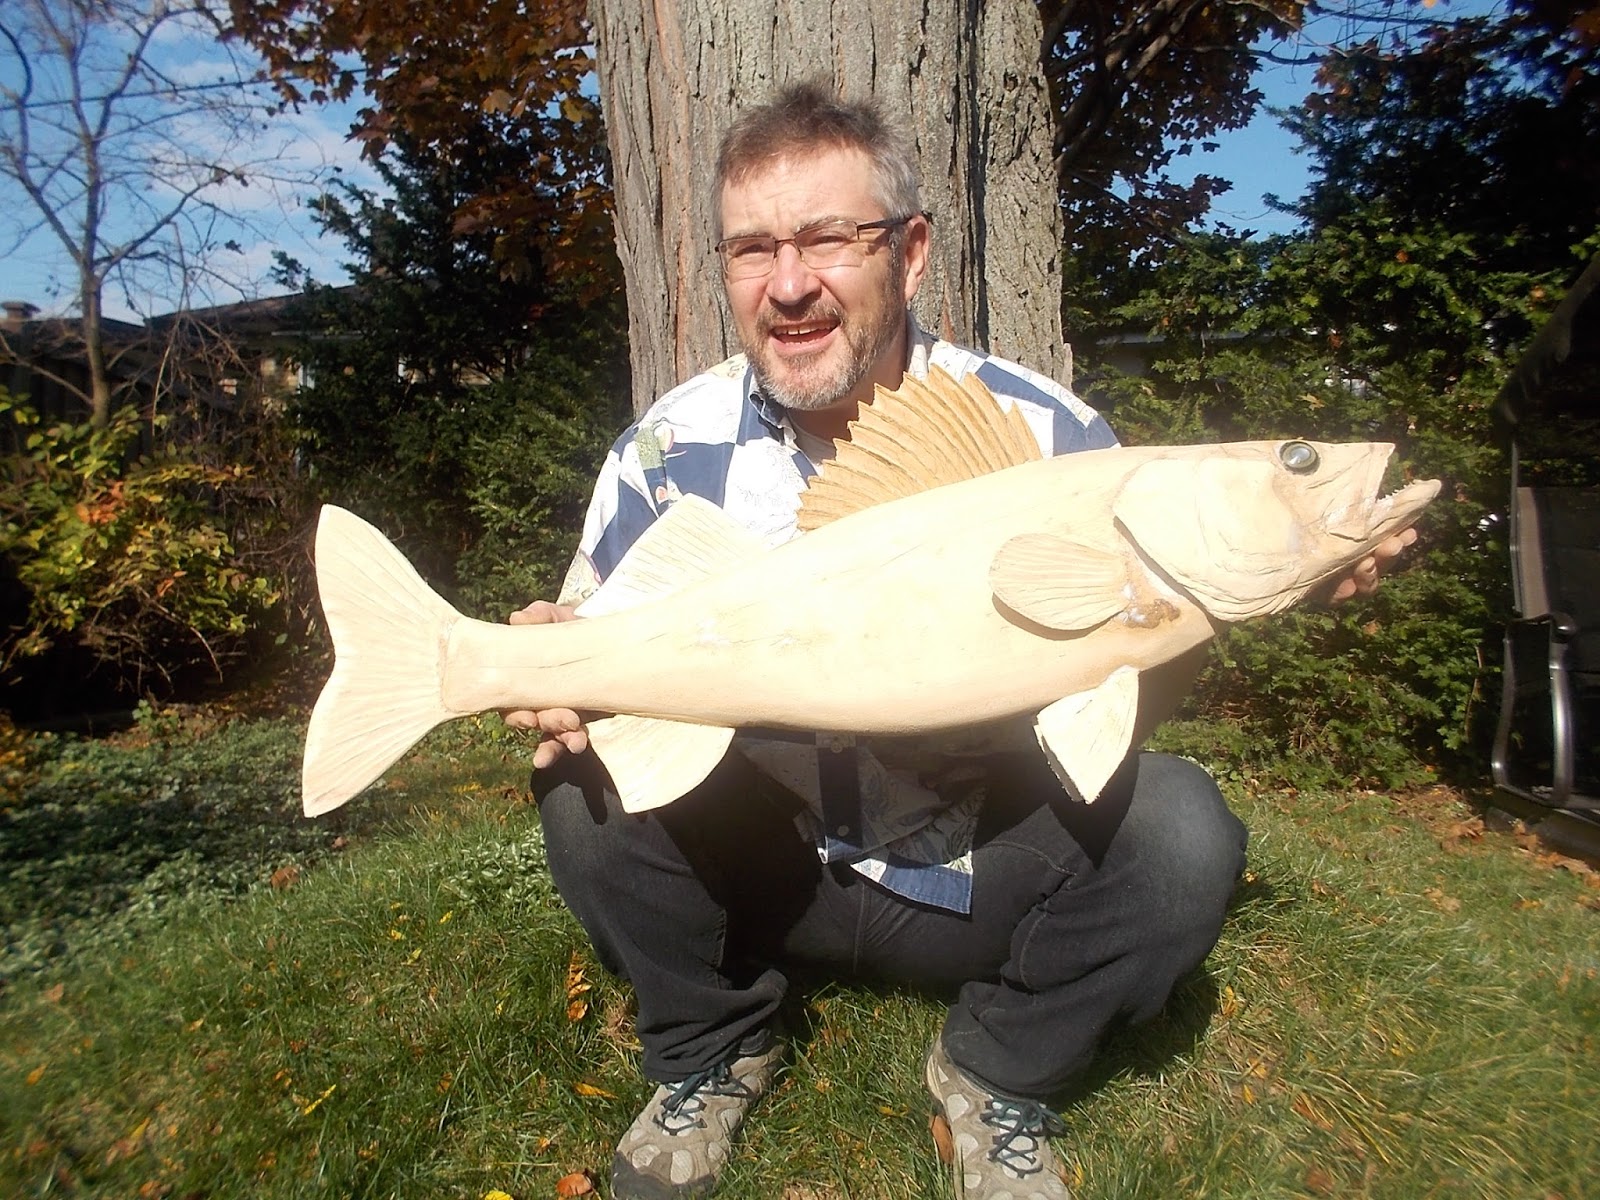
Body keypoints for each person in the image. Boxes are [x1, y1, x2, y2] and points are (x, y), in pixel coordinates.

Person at [507, 82, 1413, 1200]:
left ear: (912, 251)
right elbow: (597, 642)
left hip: (978, 867)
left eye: (829, 238)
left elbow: (1129, 684)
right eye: (753, 250)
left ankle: (995, 1068)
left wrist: (1282, 576)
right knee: (581, 788)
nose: (789, 285)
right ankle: (714, 1043)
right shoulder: (662, 453)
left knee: (1182, 832)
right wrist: (555, 668)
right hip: (767, 867)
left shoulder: (1047, 438)